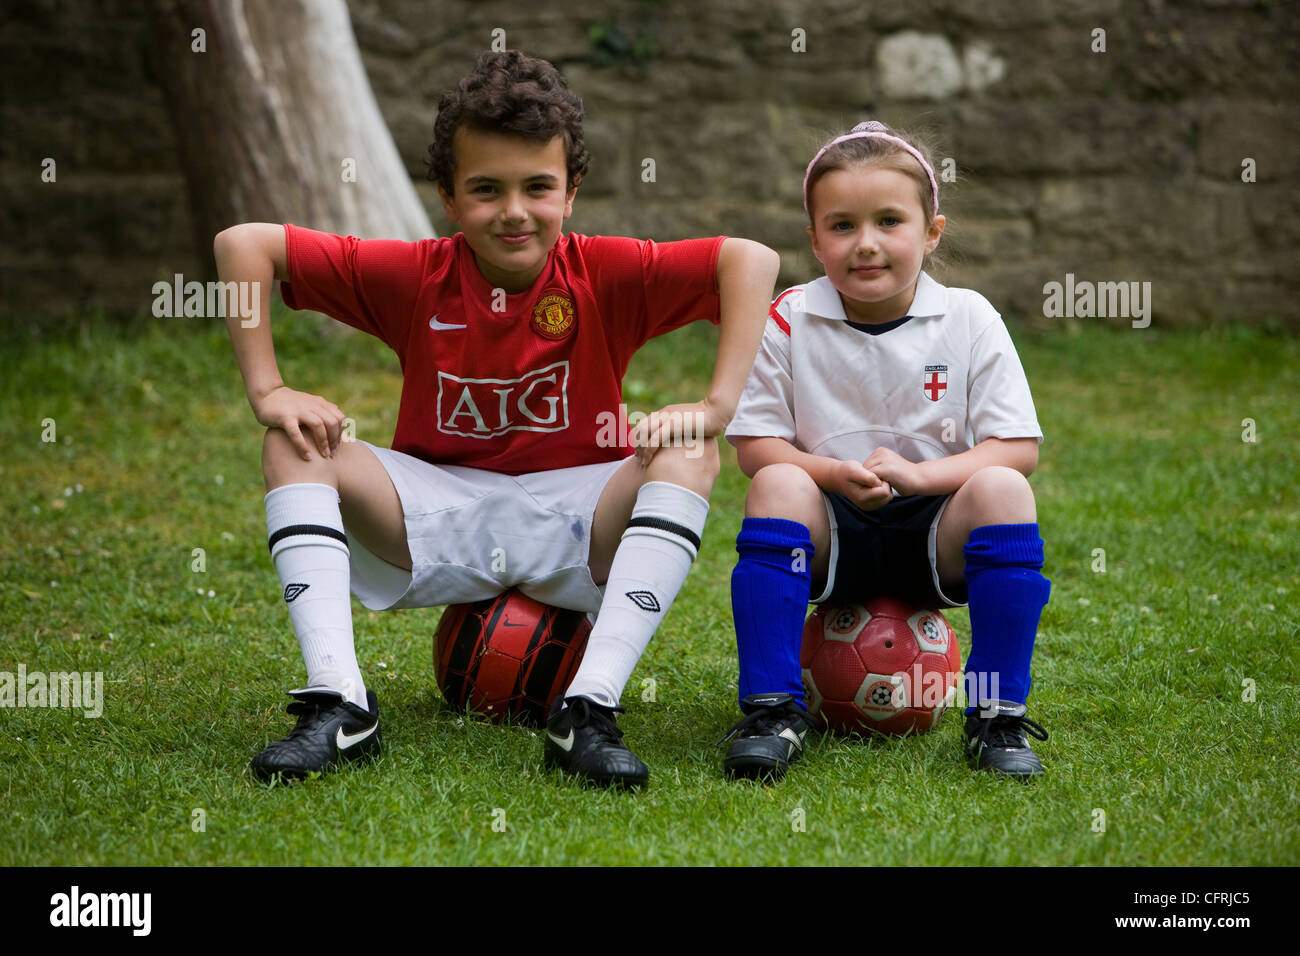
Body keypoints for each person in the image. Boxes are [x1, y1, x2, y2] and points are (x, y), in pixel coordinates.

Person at [213, 50, 778, 789]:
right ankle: (340, 704)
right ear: (448, 198)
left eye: (537, 187)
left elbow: (750, 260)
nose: (514, 210)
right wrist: (269, 390)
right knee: (295, 445)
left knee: (689, 454)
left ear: (571, 192)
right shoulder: (416, 274)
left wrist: (715, 407)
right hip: (436, 514)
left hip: (580, 517)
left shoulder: (606, 271)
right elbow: (243, 246)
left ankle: (588, 710)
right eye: (486, 190)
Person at [720, 120, 1051, 781]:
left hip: (934, 535)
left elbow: (1016, 448)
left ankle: (996, 717)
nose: (865, 244)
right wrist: (829, 473)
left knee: (1004, 490)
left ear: (931, 233)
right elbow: (755, 446)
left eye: (889, 222)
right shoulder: (789, 316)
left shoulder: (969, 318)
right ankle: (772, 710)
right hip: (831, 531)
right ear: (814, 240)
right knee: (777, 485)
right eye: (841, 226)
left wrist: (922, 476)